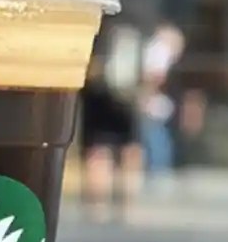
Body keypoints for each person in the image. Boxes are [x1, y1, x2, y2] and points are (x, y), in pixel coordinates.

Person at [79, 27, 141, 220]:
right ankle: (126, 204)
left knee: (99, 150)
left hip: (98, 90)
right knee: (127, 149)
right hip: (125, 94)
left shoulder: (96, 27)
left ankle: (98, 206)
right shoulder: (134, 31)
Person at [139, 22, 185, 191]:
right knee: (157, 135)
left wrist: (147, 93)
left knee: (154, 135)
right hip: (159, 99)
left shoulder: (157, 49)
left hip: (154, 99)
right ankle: (158, 169)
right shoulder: (164, 50)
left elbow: (156, 75)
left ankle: (157, 170)